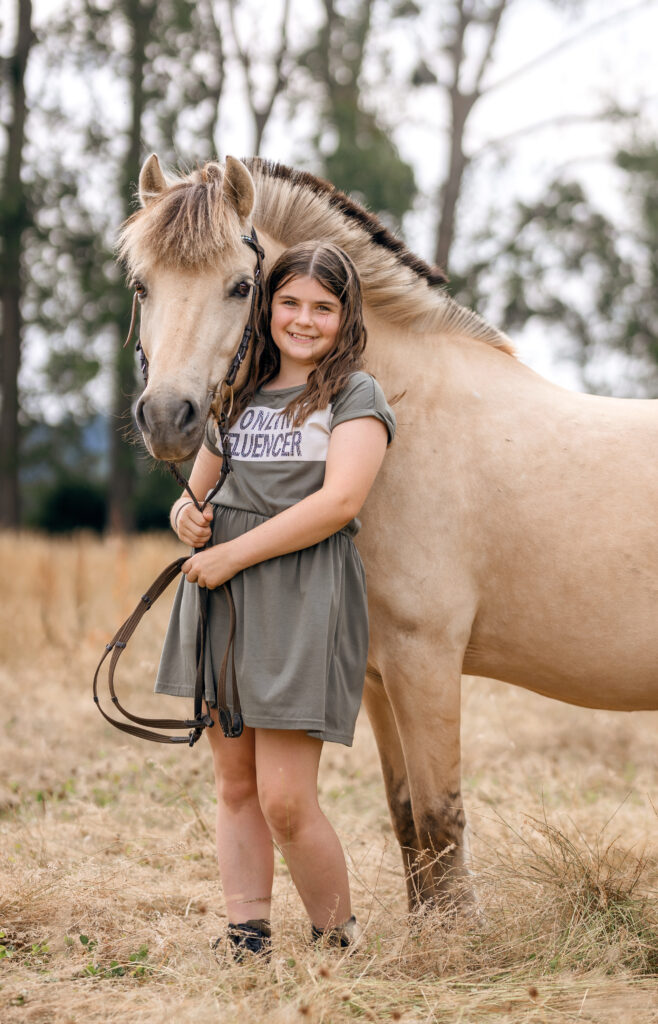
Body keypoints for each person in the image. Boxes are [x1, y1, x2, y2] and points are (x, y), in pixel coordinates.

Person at [155, 240, 396, 961]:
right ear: (267, 308)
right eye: (289, 302)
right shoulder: (235, 395)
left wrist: (230, 553)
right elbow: (196, 494)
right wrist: (188, 519)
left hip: (300, 600)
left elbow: (340, 503)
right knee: (235, 785)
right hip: (225, 603)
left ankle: (335, 941)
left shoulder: (355, 396)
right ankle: (247, 935)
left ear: (344, 317)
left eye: (323, 307)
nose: (303, 319)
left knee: (286, 799)